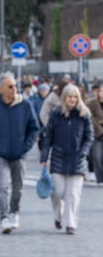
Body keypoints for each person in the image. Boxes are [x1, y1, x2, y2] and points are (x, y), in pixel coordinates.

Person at [0, 72, 40, 234]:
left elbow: (34, 129)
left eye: (15, 86)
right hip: (0, 155)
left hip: (19, 155)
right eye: (10, 86)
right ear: (1, 89)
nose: (15, 89)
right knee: (2, 187)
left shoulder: (26, 106)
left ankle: (14, 212)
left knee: (18, 188)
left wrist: (25, 147)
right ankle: (4, 218)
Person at [41, 84, 94, 234]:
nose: (72, 99)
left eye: (75, 96)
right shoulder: (55, 114)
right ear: (64, 98)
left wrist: (83, 152)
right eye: (70, 96)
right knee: (58, 192)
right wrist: (44, 157)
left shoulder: (84, 115)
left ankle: (70, 223)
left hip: (78, 159)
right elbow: (48, 137)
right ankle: (58, 215)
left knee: (73, 193)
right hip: (58, 158)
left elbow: (89, 137)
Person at [86, 82, 103, 183]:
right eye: (100, 91)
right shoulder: (91, 103)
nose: (101, 93)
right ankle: (100, 178)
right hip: (97, 134)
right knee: (97, 156)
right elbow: (89, 117)